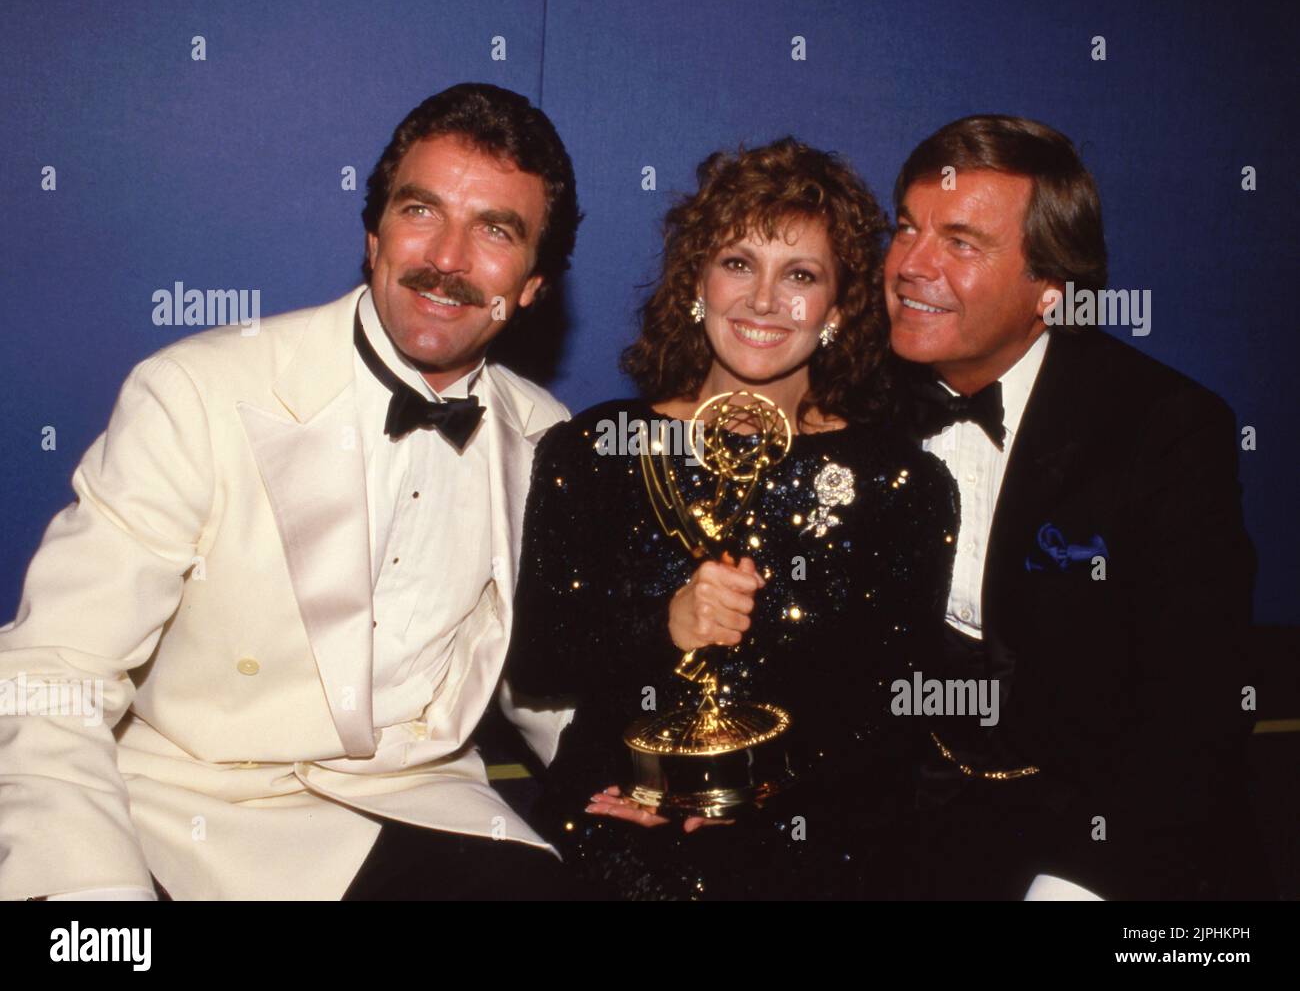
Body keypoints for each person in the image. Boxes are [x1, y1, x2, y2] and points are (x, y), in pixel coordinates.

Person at [0, 83, 583, 900]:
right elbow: (54, 669)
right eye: (421, 212)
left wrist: (630, 779)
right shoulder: (196, 393)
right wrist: (93, 907)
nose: (448, 259)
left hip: (415, 801)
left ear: (531, 285)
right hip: (187, 807)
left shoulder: (548, 438)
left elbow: (545, 674)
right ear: (374, 236)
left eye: (495, 231)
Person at [506, 137, 959, 899]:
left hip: (811, 835)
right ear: (696, 285)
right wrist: (666, 624)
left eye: (801, 276)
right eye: (739, 263)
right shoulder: (596, 449)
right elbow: (541, 660)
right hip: (617, 818)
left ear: (840, 308)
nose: (762, 300)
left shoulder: (902, 484)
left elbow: (893, 713)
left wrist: (762, 800)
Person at [886, 114, 1265, 900]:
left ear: (1051, 291)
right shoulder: (860, 399)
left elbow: (1193, 704)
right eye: (905, 230)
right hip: (912, 814)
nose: (910, 267)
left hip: (1107, 825)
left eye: (960, 242)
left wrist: (1081, 881)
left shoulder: (1164, 428)